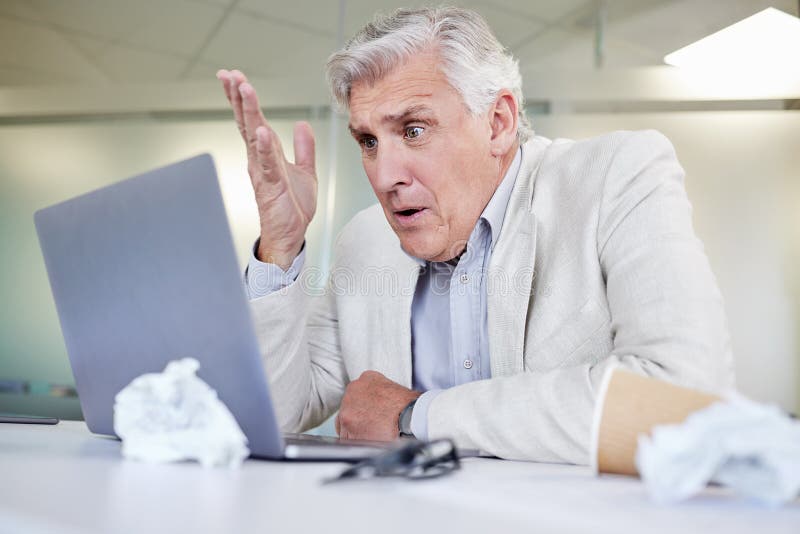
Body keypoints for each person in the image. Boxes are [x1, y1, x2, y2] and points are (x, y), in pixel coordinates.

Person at [215, 6, 733, 463]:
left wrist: (418, 416)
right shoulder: (364, 242)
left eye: (413, 130)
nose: (383, 174)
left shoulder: (615, 177)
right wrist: (280, 246)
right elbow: (278, 413)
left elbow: (684, 399)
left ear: (498, 123)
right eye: (369, 140)